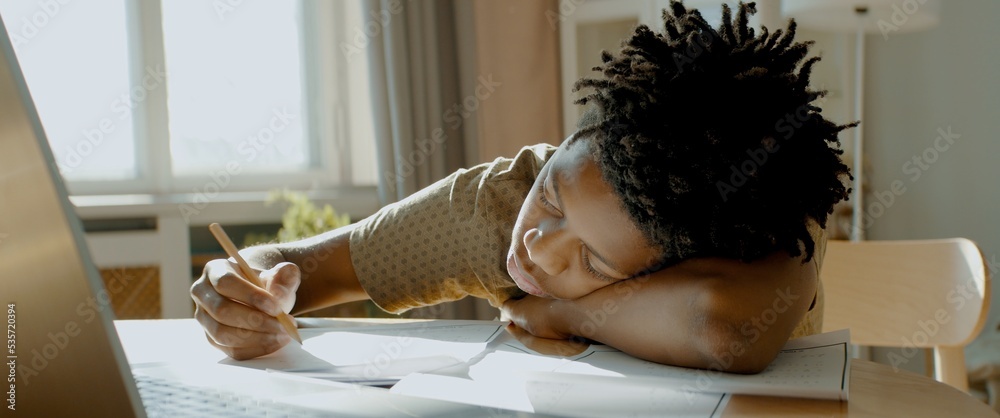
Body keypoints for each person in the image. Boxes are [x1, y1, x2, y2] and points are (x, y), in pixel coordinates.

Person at [190, 1, 852, 373]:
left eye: (594, 261)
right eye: (554, 197)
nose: (537, 245)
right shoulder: (502, 202)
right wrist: (244, 290)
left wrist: (559, 316)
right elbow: (302, 267)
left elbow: (722, 330)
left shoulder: (763, 229)